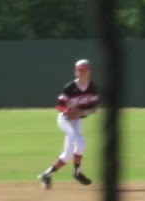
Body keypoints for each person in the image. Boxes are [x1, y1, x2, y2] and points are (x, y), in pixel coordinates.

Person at [38, 58, 99, 189]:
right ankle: (77, 173)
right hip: (65, 120)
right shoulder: (70, 88)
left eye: (85, 70)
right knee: (81, 143)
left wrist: (80, 112)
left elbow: (94, 109)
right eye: (80, 70)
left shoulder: (93, 88)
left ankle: (46, 175)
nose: (82, 72)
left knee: (67, 156)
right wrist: (67, 111)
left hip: (77, 120)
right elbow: (59, 106)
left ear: (89, 71)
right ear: (75, 72)